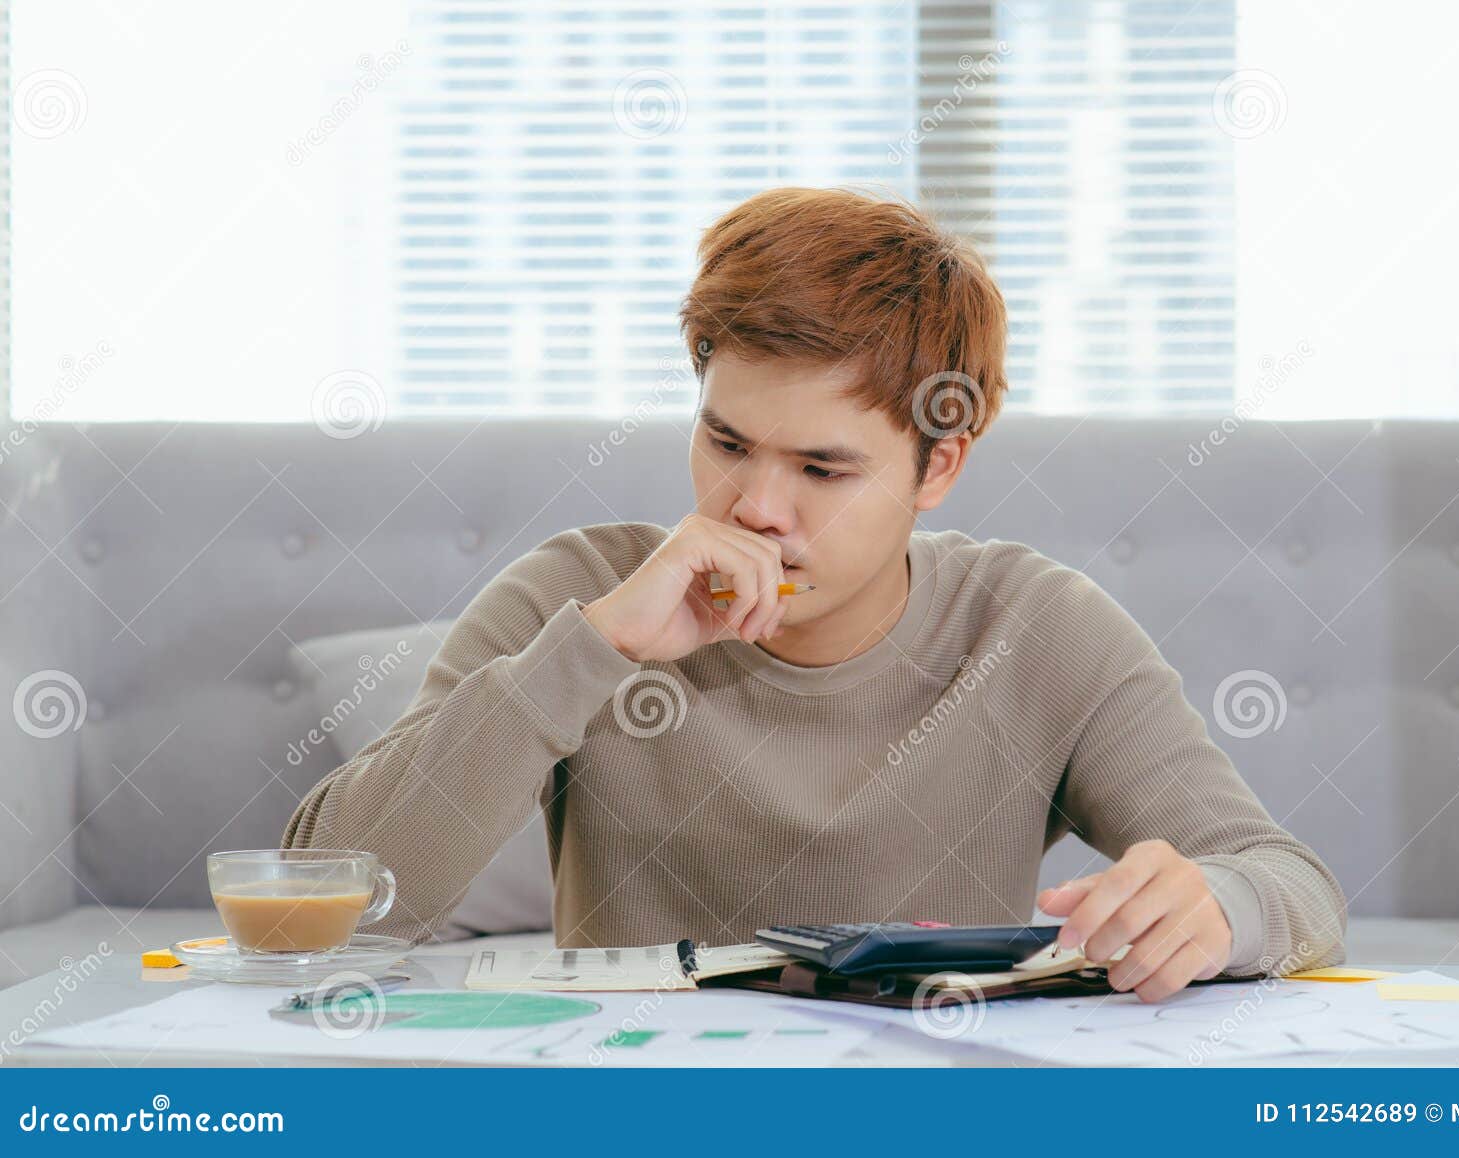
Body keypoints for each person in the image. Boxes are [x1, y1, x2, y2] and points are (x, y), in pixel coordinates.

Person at [283, 186, 1346, 1002]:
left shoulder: (1033, 628)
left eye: (822, 471)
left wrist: (1218, 905)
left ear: (939, 468)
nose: (754, 508)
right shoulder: (582, 595)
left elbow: (1288, 883)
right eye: (726, 441)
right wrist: (594, 652)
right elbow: (324, 908)